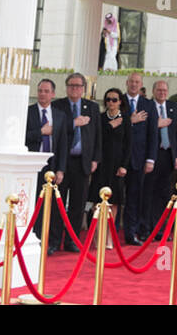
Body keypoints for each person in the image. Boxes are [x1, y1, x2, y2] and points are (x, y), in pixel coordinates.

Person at [25, 78, 69, 253]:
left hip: (52, 165)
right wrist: (40, 133)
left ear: (53, 94)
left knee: (50, 206)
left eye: (46, 91)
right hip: (33, 164)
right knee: (34, 204)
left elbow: (63, 144)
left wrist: (61, 169)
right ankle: (33, 239)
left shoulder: (59, 115)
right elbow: (21, 136)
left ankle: (49, 241)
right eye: (40, 90)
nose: (42, 94)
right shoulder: (28, 112)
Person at [57, 73, 99, 251]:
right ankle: (53, 240)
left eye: (78, 86)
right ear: (66, 87)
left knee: (78, 204)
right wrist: (73, 123)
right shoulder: (57, 106)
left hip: (83, 162)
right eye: (71, 85)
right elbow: (56, 130)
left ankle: (72, 240)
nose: (74, 89)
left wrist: (95, 158)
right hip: (62, 162)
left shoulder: (92, 107)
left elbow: (98, 135)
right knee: (58, 204)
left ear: (83, 88)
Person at [121, 72, 157, 245]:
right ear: (126, 83)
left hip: (139, 159)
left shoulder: (148, 105)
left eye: (137, 82)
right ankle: (108, 234)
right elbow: (109, 124)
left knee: (134, 198)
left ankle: (131, 233)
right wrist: (130, 120)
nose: (134, 84)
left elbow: (153, 134)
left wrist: (151, 159)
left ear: (141, 84)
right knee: (115, 197)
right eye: (131, 82)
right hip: (119, 159)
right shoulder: (116, 100)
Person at [95, 88, 132, 249]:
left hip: (117, 166)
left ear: (120, 102)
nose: (111, 102)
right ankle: (98, 237)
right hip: (102, 165)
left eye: (114, 99)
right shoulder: (101, 119)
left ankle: (109, 236)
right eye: (108, 99)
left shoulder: (125, 119)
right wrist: (110, 126)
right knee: (99, 202)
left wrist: (124, 165)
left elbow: (129, 145)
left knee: (114, 203)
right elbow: (97, 138)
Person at [144, 80, 177, 239]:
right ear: (153, 91)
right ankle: (146, 229)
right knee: (148, 193)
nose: (162, 93)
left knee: (164, 194)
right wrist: (156, 125)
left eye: (165, 90)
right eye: (159, 90)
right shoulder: (147, 106)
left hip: (168, 156)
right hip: (152, 156)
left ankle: (160, 230)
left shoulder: (173, 108)